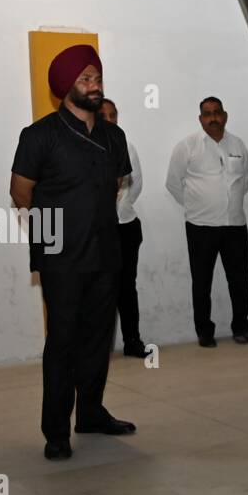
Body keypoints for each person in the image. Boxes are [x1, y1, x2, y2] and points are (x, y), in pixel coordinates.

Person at [10, 44, 137, 460]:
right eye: (85, 79)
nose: (94, 85)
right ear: (66, 86)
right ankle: (56, 430)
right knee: (63, 341)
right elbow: (20, 193)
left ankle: (92, 413)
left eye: (97, 77)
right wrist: (53, 236)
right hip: (61, 257)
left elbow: (119, 182)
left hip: (105, 252)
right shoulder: (39, 135)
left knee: (99, 339)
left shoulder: (113, 135)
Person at [165, 97, 248, 347]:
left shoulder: (238, 144)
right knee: (202, 282)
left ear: (225, 115)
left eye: (217, 113)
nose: (213, 118)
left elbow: (245, 182)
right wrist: (197, 206)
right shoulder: (187, 147)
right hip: (200, 227)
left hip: (235, 225)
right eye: (207, 114)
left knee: (239, 280)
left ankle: (241, 328)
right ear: (200, 119)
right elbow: (173, 183)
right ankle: (205, 332)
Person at [97, 97, 150, 358]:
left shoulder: (126, 146)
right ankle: (99, 347)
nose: (109, 119)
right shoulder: (88, 146)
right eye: (104, 115)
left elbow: (135, 184)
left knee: (127, 287)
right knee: (100, 290)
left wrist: (120, 206)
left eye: (113, 114)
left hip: (125, 226)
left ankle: (132, 341)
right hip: (97, 231)